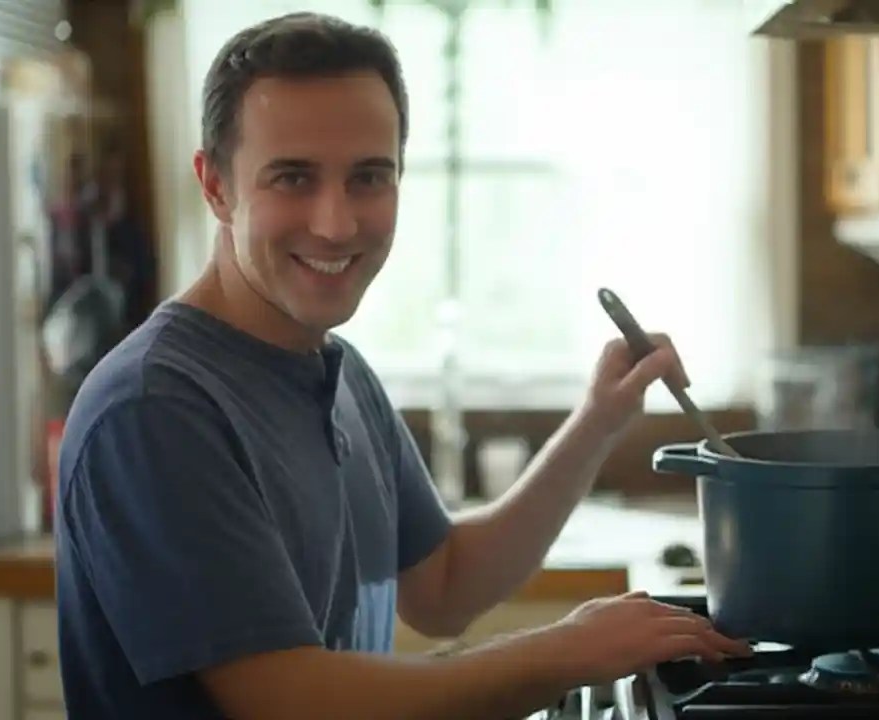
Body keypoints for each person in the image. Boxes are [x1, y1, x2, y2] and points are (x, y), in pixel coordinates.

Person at [53, 11, 750, 720]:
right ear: (215, 186)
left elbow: (447, 586)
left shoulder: (338, 370)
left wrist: (600, 419)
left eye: (369, 178)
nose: (336, 222)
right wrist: (566, 652)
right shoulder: (157, 408)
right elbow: (287, 701)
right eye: (292, 178)